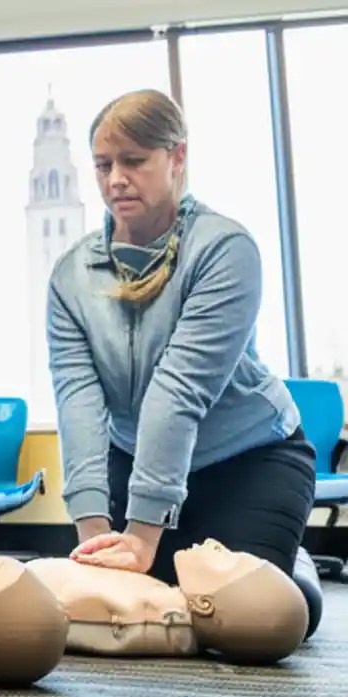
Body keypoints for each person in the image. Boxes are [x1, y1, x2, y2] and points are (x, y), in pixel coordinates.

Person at [48, 88, 322, 636]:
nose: (115, 179)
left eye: (134, 161)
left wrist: (143, 539)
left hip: (248, 462)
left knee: (247, 623)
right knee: (126, 608)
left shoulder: (226, 249)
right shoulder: (70, 276)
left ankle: (296, 568)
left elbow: (178, 391)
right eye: (103, 165)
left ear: (177, 158)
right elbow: (77, 407)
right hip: (135, 459)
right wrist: (96, 541)